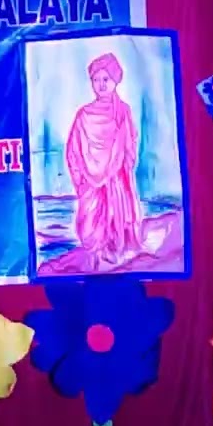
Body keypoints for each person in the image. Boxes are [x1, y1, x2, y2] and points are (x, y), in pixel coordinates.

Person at [64, 52, 143, 269]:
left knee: (115, 218)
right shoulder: (84, 114)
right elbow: (73, 149)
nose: (100, 84)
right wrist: (80, 177)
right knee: (90, 223)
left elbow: (130, 142)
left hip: (116, 178)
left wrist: (122, 164)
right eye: (95, 80)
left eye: (105, 79)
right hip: (90, 181)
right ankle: (95, 255)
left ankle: (114, 253)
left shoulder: (122, 111)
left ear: (115, 80)